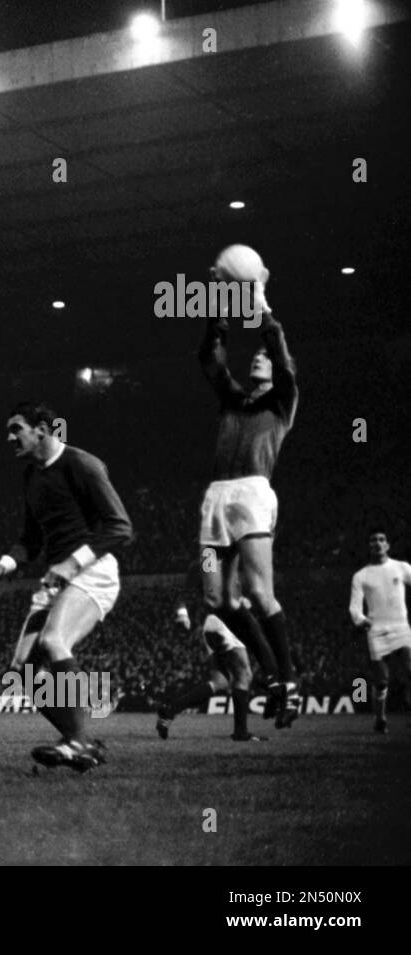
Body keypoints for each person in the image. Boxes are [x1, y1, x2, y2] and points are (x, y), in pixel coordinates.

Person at [0, 402, 133, 772]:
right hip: (56, 578)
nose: (10, 436)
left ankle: (77, 740)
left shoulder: (83, 464)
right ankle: (82, 742)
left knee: (53, 641)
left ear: (42, 430)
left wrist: (72, 563)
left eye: (16, 428)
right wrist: (3, 565)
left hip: (92, 571)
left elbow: (120, 527)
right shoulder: (32, 476)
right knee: (23, 675)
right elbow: (30, 540)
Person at [196, 246, 299, 729]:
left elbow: (277, 346)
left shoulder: (281, 403)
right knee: (218, 601)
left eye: (264, 358)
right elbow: (209, 360)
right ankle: (273, 677)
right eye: (254, 355)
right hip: (216, 500)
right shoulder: (234, 401)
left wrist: (258, 301)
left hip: (252, 496)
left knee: (260, 593)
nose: (259, 358)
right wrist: (218, 309)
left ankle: (287, 679)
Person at [156, 560, 267, 742]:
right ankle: (241, 732)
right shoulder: (212, 557)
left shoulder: (223, 558)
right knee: (244, 675)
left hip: (215, 623)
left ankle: (169, 710)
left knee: (220, 682)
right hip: (225, 622)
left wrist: (242, 601)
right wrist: (182, 612)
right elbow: (199, 584)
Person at [348, 530, 411, 733]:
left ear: (388, 545)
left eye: (382, 539)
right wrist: (361, 620)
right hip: (376, 631)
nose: (378, 543)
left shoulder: (401, 568)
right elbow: (354, 607)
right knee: (382, 680)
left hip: (402, 628)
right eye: (373, 539)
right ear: (369, 546)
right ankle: (380, 718)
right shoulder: (361, 576)